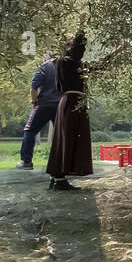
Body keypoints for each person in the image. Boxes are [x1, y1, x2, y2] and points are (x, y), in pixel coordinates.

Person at [45, 21, 93, 191]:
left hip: (68, 102)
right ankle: (59, 180)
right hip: (72, 103)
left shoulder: (67, 63)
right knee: (67, 139)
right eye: (71, 42)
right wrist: (81, 24)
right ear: (66, 46)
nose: (74, 44)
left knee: (62, 139)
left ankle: (56, 177)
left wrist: (118, 52)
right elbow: (79, 50)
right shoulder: (66, 60)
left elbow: (95, 66)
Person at [17, 52, 59, 170]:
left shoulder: (44, 67)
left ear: (46, 57)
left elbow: (34, 88)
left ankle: (26, 162)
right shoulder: (63, 66)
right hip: (60, 106)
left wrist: (34, 102)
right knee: (61, 134)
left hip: (44, 104)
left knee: (29, 131)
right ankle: (62, 162)